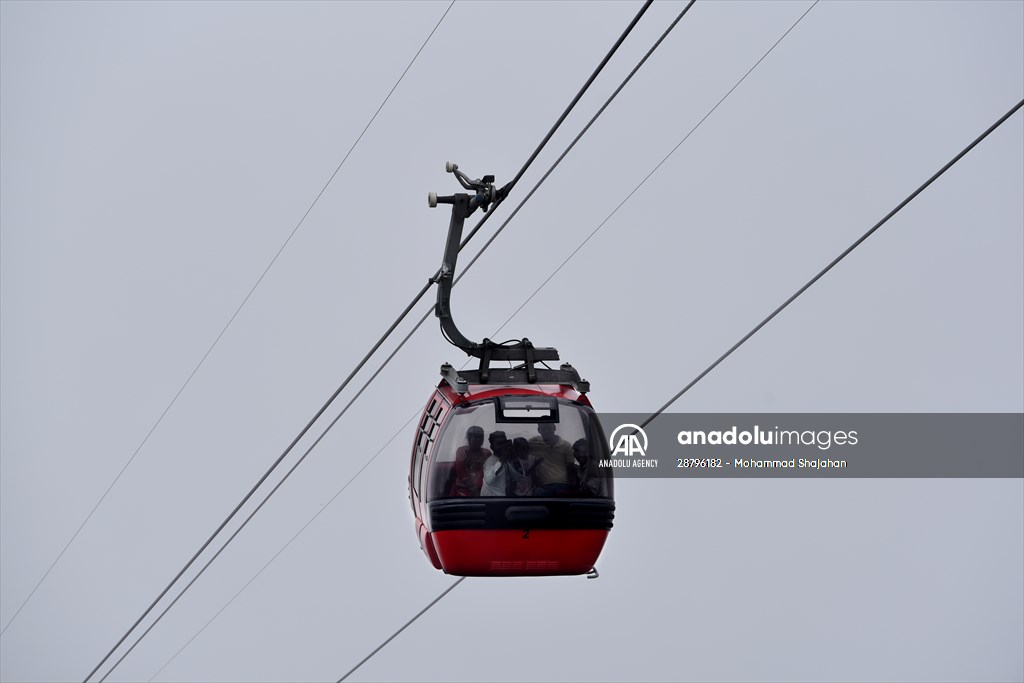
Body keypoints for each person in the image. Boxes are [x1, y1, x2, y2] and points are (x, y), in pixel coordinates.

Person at [529, 422, 575, 496]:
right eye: (543, 429)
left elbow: (571, 468)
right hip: (542, 486)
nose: (547, 431)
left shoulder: (566, 446)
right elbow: (519, 449)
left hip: (562, 485)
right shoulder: (534, 442)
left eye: (549, 428)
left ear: (554, 428)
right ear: (538, 430)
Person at [449, 425, 490, 497]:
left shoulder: (487, 453)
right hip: (463, 489)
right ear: (469, 438)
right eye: (475, 437)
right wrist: (474, 489)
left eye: (481, 437)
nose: (478, 440)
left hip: (483, 489)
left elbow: (488, 473)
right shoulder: (462, 451)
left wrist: (480, 489)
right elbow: (461, 473)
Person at [480, 431, 512, 497]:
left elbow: (517, 477)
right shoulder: (490, 461)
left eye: (505, 442)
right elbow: (488, 479)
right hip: (492, 501)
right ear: (492, 447)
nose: (503, 446)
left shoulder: (506, 461)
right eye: (499, 443)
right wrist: (502, 460)